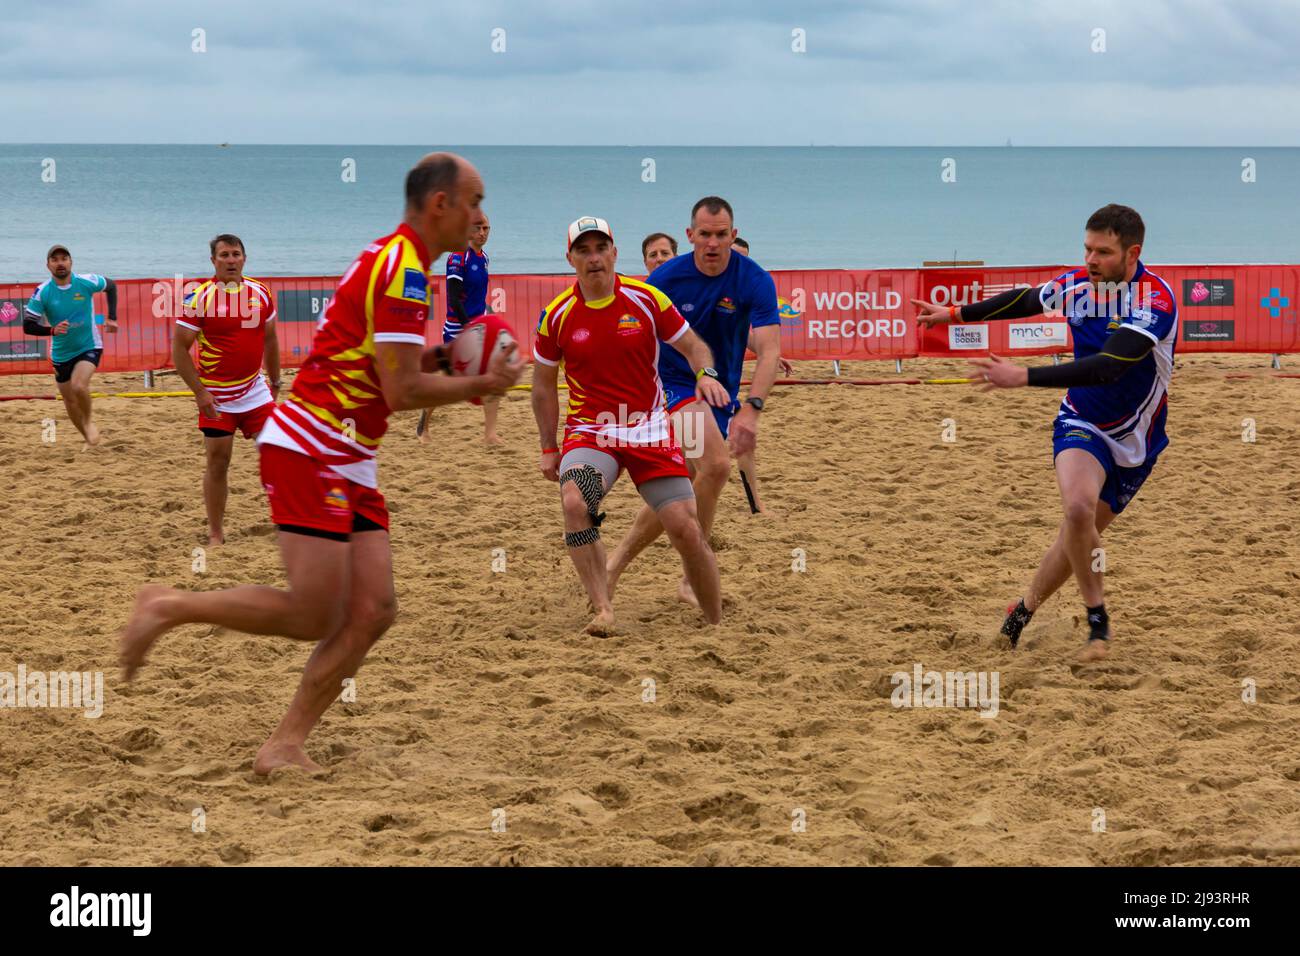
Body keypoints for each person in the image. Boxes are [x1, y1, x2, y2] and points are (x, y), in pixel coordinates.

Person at [119, 153, 524, 774]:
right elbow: (400, 392)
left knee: (374, 612)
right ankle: (169, 606)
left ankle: (283, 744)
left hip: (350, 453)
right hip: (311, 445)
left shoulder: (399, 262)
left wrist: (453, 360)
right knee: (314, 613)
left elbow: (391, 366)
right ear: (440, 204)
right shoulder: (402, 271)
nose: (481, 215)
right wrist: (480, 386)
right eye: (474, 200)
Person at [913, 204, 1177, 662]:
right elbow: (1027, 299)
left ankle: (1021, 612)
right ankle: (1098, 626)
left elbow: (1111, 367)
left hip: (1138, 438)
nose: (1091, 260)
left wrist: (1025, 376)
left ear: (1133, 253)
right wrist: (955, 314)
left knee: (1077, 535)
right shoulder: (1078, 284)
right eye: (1087, 248)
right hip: (1081, 420)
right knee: (1077, 511)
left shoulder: (1154, 300)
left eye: (1104, 252)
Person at [532, 216, 725, 635]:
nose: (593, 257)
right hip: (592, 432)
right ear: (570, 259)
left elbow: (694, 348)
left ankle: (715, 623)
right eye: (583, 250)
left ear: (614, 254)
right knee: (574, 504)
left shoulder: (646, 299)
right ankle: (603, 608)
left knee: (686, 528)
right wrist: (549, 447)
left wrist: (705, 376)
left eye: (601, 248)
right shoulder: (557, 316)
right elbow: (543, 387)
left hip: (649, 430)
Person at [606, 197, 781, 604]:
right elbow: (630, 330)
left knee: (678, 491)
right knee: (718, 466)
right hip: (670, 383)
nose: (714, 243)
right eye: (705, 235)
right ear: (690, 237)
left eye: (722, 235)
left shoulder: (754, 279)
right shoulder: (667, 278)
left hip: (719, 390)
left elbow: (770, 351)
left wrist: (752, 410)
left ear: (733, 236)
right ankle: (693, 571)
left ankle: (613, 566)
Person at [172, 234, 281, 545]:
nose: (231, 260)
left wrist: (275, 381)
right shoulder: (197, 298)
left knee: (278, 455)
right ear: (213, 261)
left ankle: (287, 522)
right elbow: (180, 349)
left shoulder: (261, 292)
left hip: (256, 390)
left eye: (236, 254)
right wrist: (200, 393)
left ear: (244, 258)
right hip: (217, 396)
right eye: (224, 255)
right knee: (218, 463)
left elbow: (271, 339)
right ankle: (216, 533)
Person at [22, 245, 118, 448]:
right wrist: (52, 330)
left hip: (89, 345)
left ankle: (89, 421)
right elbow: (28, 325)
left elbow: (111, 286)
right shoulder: (43, 291)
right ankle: (86, 437)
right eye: (55, 260)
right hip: (61, 353)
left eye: (64, 258)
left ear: (71, 262)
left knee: (79, 386)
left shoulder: (86, 282)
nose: (60, 263)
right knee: (69, 400)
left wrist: (112, 317)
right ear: (48, 265)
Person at [430, 214, 501, 445]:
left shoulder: (485, 258)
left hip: (479, 326)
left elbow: (478, 297)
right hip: (457, 329)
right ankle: (425, 423)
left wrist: (487, 320)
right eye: (478, 228)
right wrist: (469, 326)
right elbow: (454, 298)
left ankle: (490, 434)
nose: (483, 232)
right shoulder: (457, 256)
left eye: (487, 228)